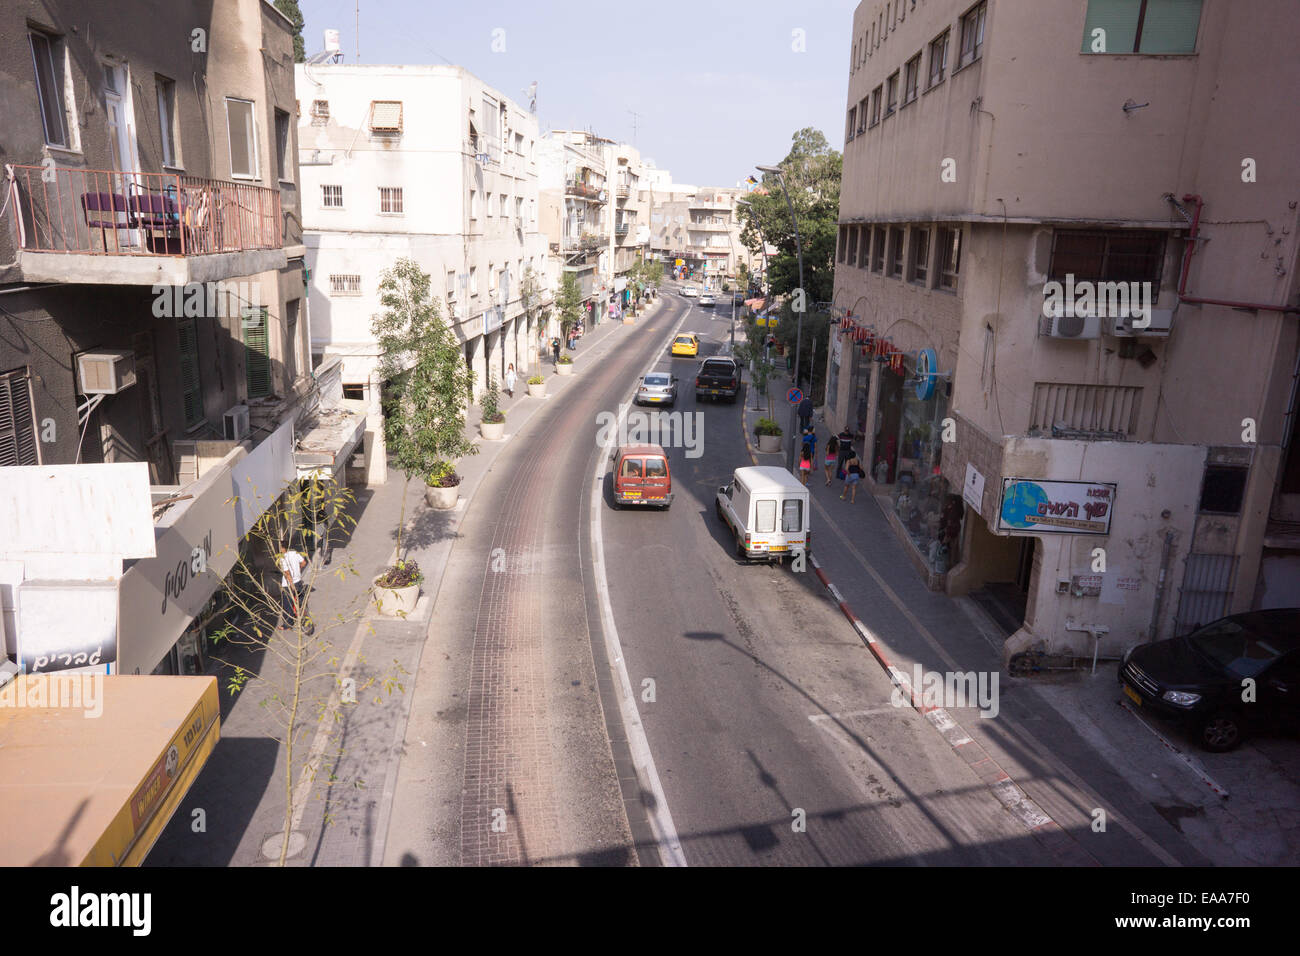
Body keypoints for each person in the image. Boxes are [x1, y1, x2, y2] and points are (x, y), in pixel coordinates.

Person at [276, 541, 308, 628]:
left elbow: (287, 573)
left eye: (280, 548)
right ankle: (305, 619)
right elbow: (304, 563)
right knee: (301, 602)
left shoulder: (282, 558)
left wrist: (292, 585)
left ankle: (288, 624)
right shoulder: (295, 553)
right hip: (298, 581)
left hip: (288, 585)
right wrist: (298, 570)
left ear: (283, 548)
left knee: (287, 605)